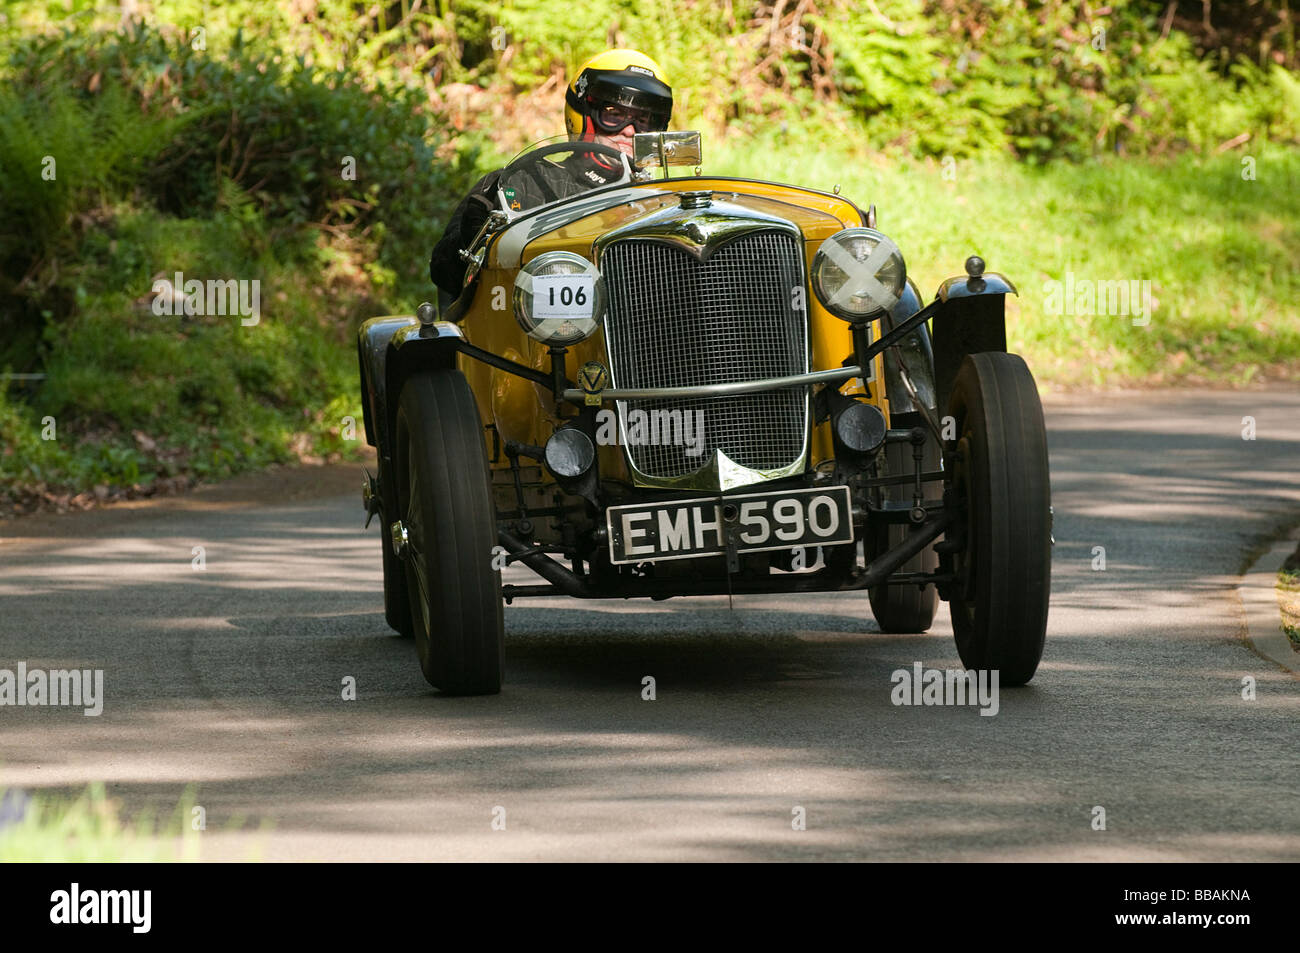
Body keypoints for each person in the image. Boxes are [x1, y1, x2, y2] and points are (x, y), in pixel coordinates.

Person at [429, 49, 673, 299]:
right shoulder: (522, 184)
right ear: (583, 115)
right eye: (615, 115)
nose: (630, 131)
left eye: (643, 120)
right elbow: (444, 274)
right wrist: (470, 238)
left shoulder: (663, 204)